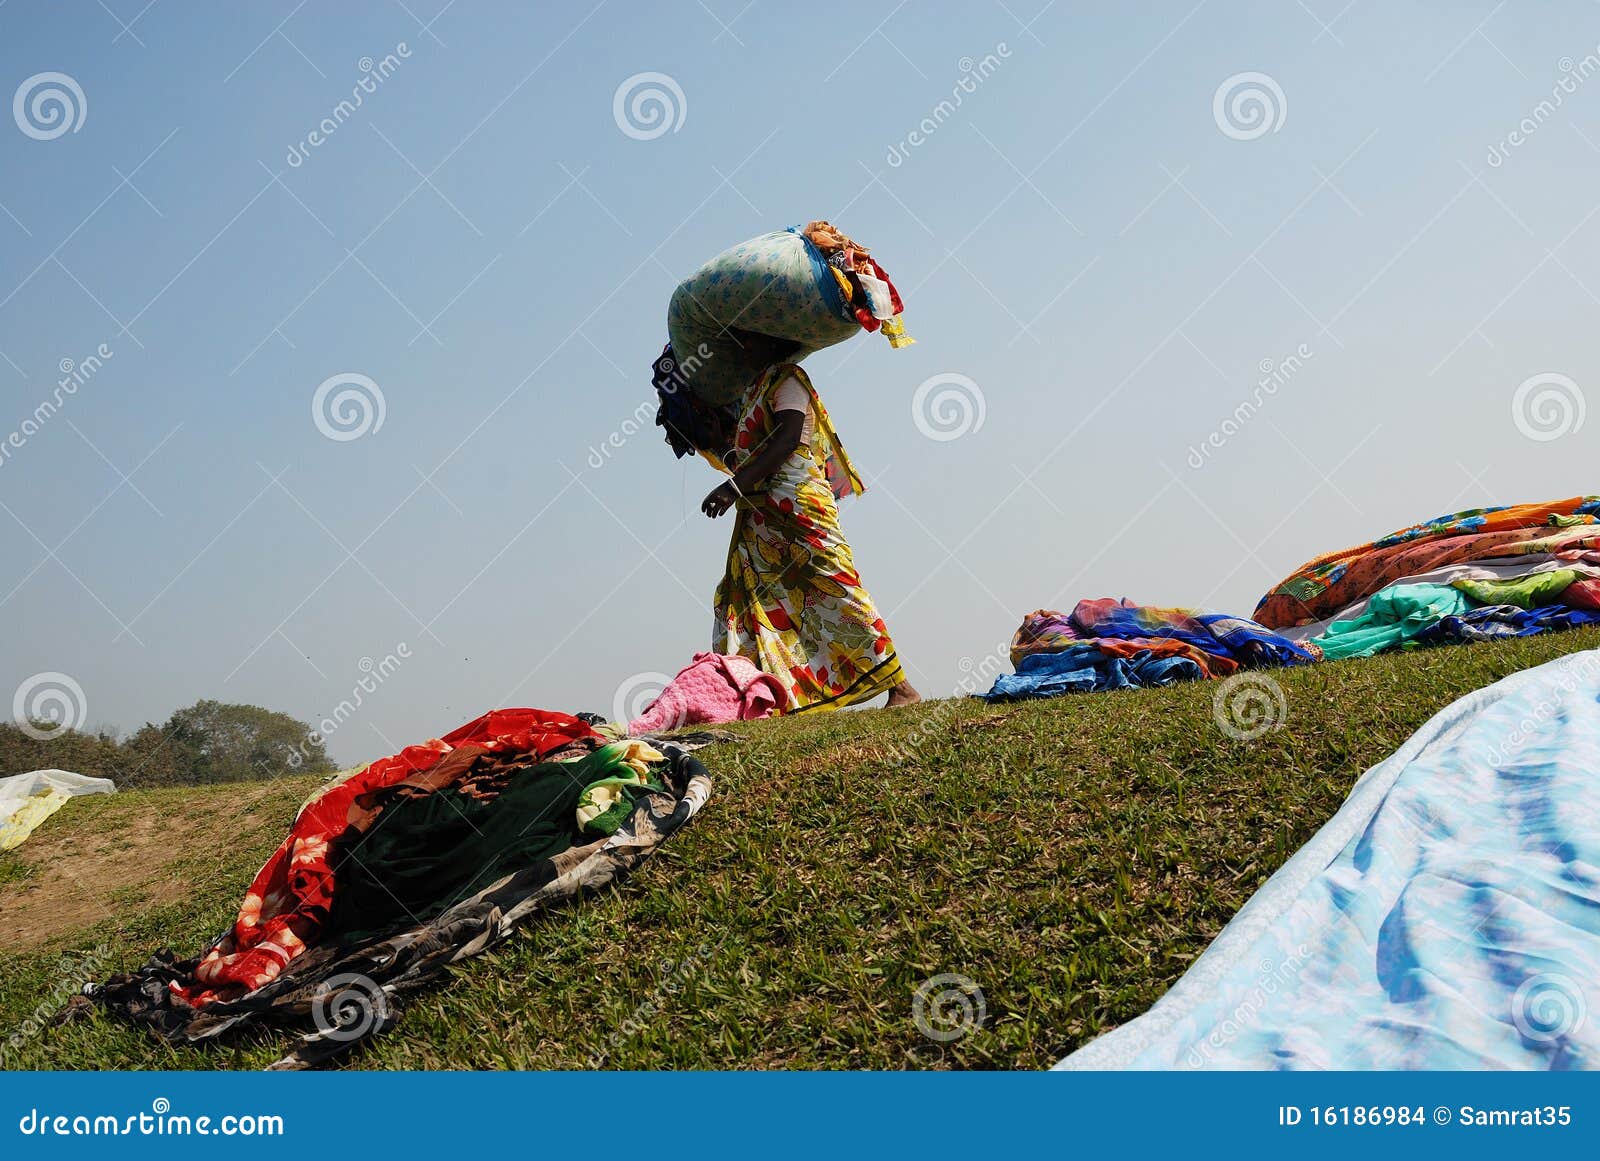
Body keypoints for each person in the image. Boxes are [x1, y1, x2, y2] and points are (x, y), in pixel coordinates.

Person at [702, 362, 921, 711]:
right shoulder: (750, 395)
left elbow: (788, 439)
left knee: (836, 587)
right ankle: (764, 696)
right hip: (764, 516)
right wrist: (718, 444)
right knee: (756, 598)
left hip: (800, 505)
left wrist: (733, 487)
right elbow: (753, 459)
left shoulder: (787, 379)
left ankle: (902, 688)